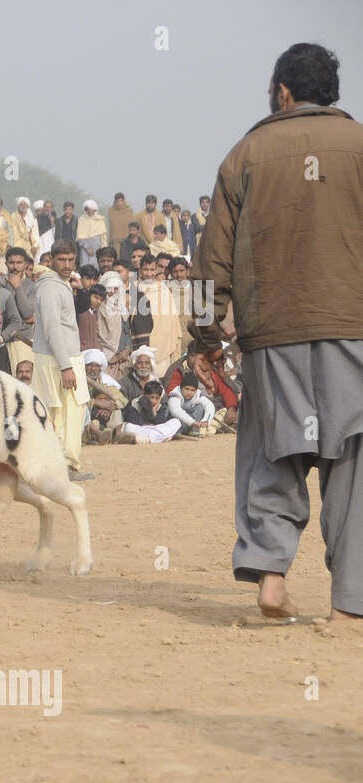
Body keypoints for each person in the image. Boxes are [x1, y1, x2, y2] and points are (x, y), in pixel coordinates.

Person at [190, 42, 363, 621]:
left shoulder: (245, 154)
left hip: (272, 334)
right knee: (352, 463)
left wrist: (205, 336)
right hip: (353, 330)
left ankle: (270, 578)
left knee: (272, 453)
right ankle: (349, 606)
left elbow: (209, 259)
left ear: (283, 92)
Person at [31, 240, 90, 477]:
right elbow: (52, 328)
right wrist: (66, 366)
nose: (66, 265)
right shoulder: (50, 287)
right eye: (61, 260)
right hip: (59, 359)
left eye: (71, 260)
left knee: (66, 413)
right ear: (51, 260)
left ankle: (60, 466)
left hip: (63, 357)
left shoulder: (60, 284)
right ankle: (62, 467)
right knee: (66, 414)